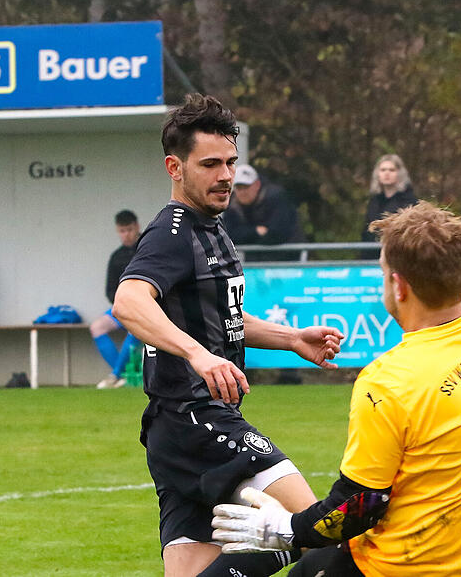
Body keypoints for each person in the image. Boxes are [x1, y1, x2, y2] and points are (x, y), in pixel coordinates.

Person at [211, 201, 461, 576]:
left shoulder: (389, 380)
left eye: (383, 273)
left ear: (398, 286)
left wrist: (287, 528)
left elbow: (360, 505)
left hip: (409, 566)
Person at [112, 93, 345, 577]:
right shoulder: (171, 233)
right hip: (196, 420)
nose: (225, 176)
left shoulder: (213, 227)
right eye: (211, 164)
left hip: (177, 431)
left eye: (231, 163)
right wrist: (201, 357)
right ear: (174, 167)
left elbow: (224, 317)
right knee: (315, 530)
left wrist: (291, 338)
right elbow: (129, 301)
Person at [93, 209, 142, 389]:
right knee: (97, 327)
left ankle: (114, 376)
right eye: (122, 231)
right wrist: (122, 304)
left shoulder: (148, 247)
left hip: (148, 307)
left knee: (135, 327)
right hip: (124, 307)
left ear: (137, 226)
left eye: (129, 229)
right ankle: (121, 374)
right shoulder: (116, 257)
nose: (126, 235)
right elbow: (110, 290)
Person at [222, 163, 306, 261]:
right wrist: (256, 231)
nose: (243, 192)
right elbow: (228, 236)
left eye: (246, 187)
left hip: (289, 259)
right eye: (239, 187)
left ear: (257, 185)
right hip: (255, 261)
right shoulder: (232, 203)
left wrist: (245, 235)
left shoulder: (276, 197)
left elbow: (277, 234)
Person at [360, 154, 417, 259]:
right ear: (377, 174)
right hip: (370, 259)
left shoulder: (410, 202)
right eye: (383, 170)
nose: (387, 173)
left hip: (398, 259)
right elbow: (367, 233)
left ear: (399, 174)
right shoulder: (374, 201)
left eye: (391, 170)